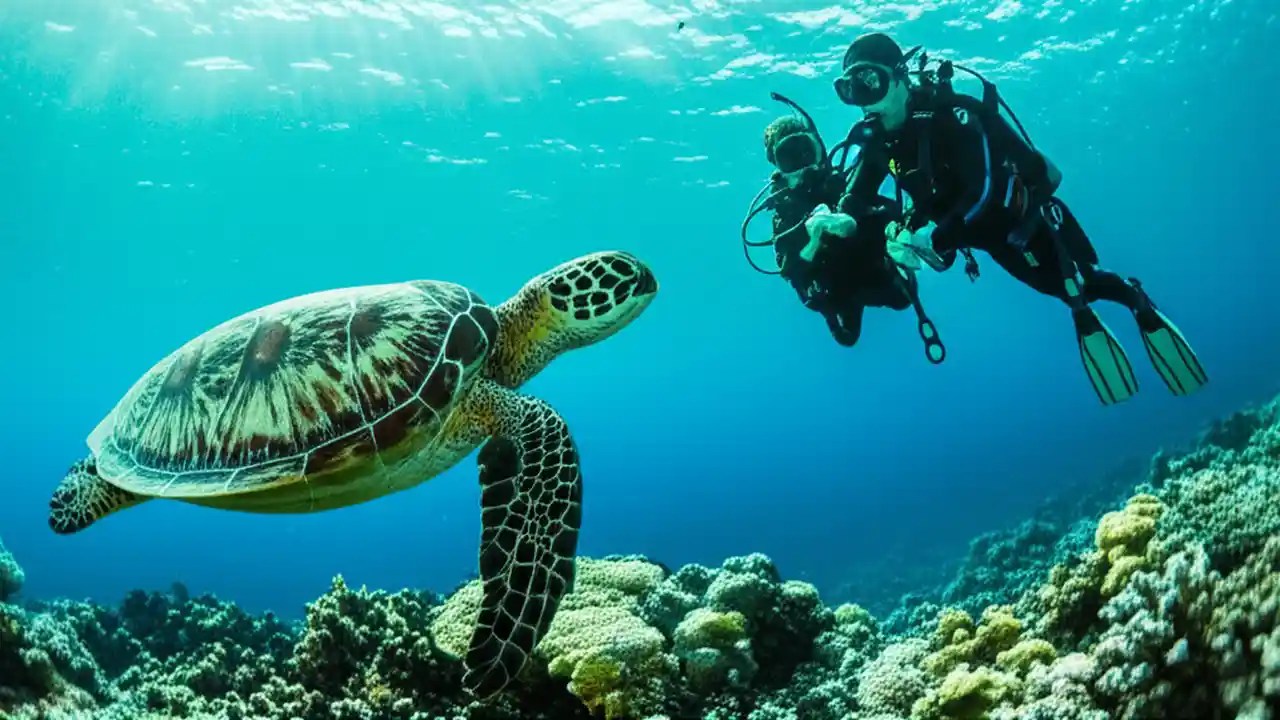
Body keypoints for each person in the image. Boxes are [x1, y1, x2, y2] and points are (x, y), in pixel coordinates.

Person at [825, 32, 1208, 405]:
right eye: (849, 89)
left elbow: (985, 189)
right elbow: (854, 198)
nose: (861, 100)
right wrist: (859, 223)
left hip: (1019, 220)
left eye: (869, 82)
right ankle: (1102, 298)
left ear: (898, 75)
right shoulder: (876, 141)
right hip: (984, 239)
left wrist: (936, 239)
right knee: (1057, 290)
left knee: (1076, 285)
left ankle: (1131, 296)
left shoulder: (949, 117)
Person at [743, 104, 946, 361]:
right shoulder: (785, 215)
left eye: (807, 151)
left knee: (900, 297)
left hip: (869, 265)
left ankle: (894, 258)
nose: (804, 165)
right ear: (779, 167)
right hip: (834, 287)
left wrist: (885, 224)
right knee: (847, 336)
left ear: (820, 150)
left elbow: (886, 204)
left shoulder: (845, 184)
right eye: (790, 158)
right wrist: (814, 238)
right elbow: (791, 271)